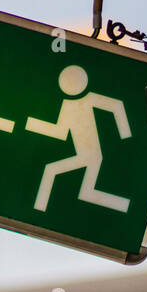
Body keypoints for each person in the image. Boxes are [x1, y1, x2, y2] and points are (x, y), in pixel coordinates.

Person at [25, 64, 131, 213]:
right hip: (86, 155)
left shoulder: (90, 98)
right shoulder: (67, 106)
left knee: (51, 170)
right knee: (86, 191)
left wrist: (124, 132)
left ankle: (125, 205)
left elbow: (116, 105)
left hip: (90, 156)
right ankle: (124, 205)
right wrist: (34, 124)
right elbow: (60, 132)